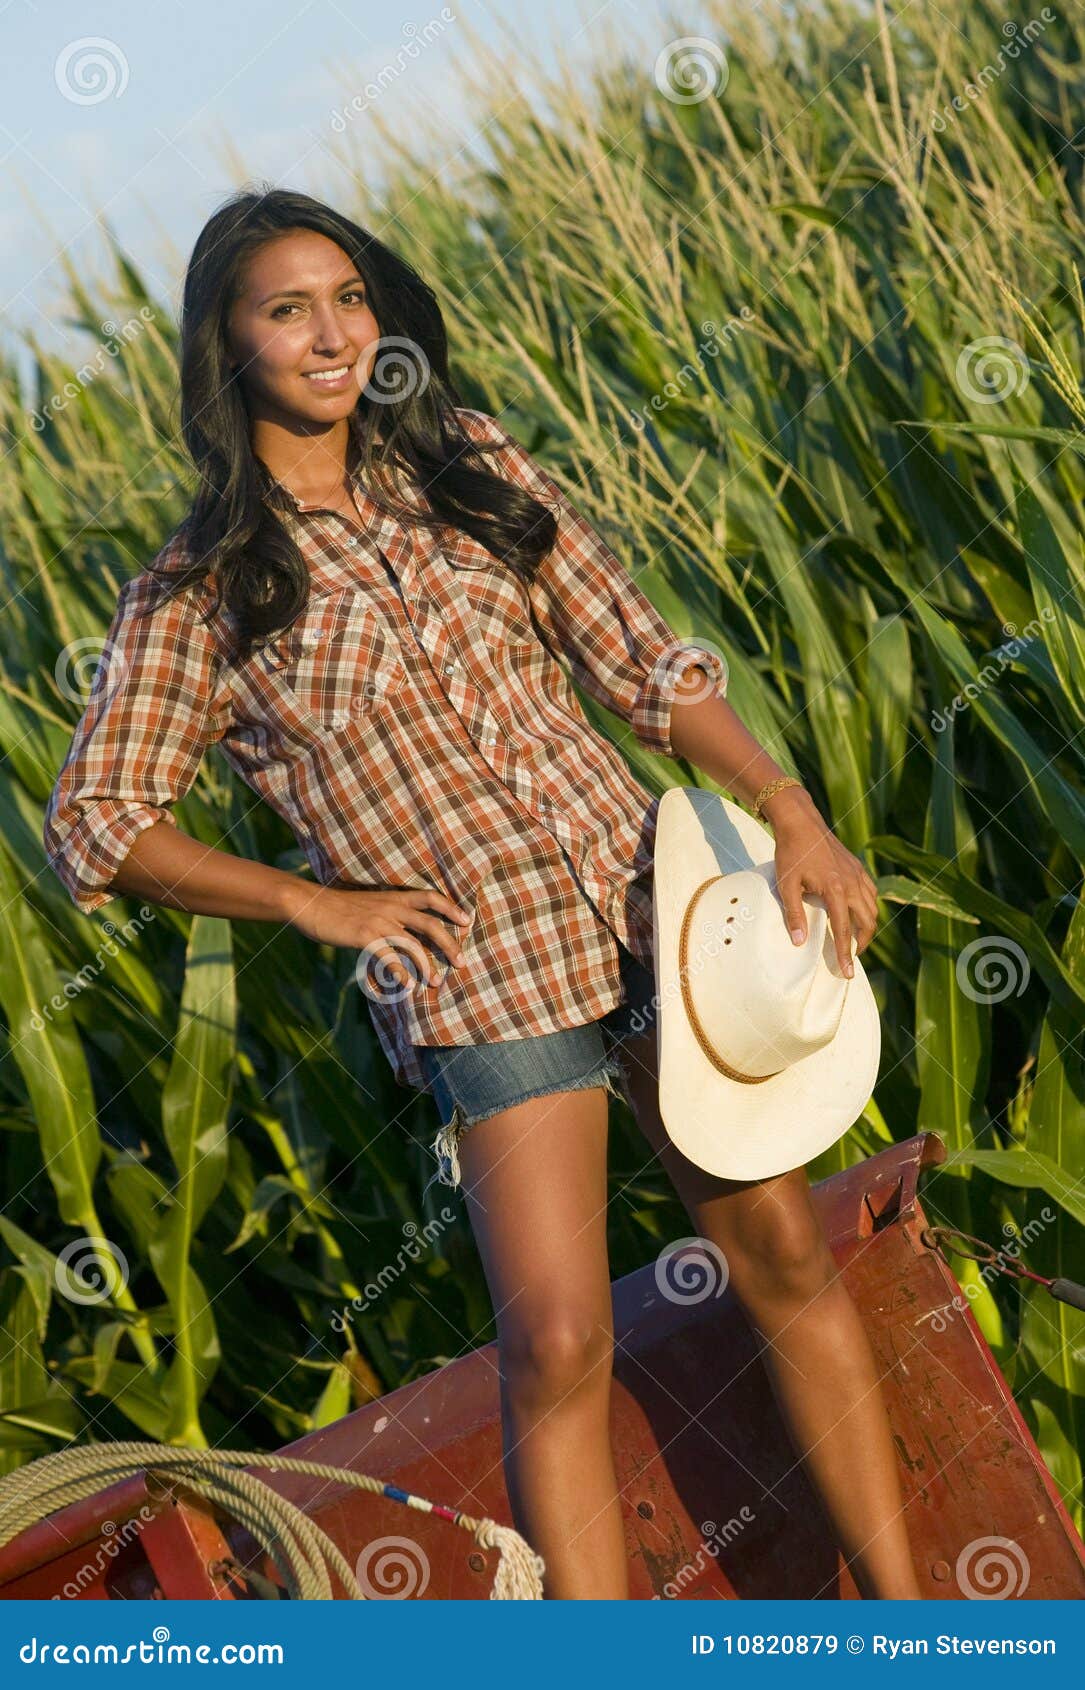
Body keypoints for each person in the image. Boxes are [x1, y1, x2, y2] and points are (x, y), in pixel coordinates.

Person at [43, 186, 922, 1601]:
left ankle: (907, 1622)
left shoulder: (465, 465)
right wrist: (313, 905)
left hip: (654, 911)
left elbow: (642, 660)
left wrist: (792, 810)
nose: (334, 334)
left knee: (778, 1248)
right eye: (288, 310)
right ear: (228, 345)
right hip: (481, 972)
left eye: (349, 298)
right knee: (558, 1339)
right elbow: (95, 823)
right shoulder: (201, 589)